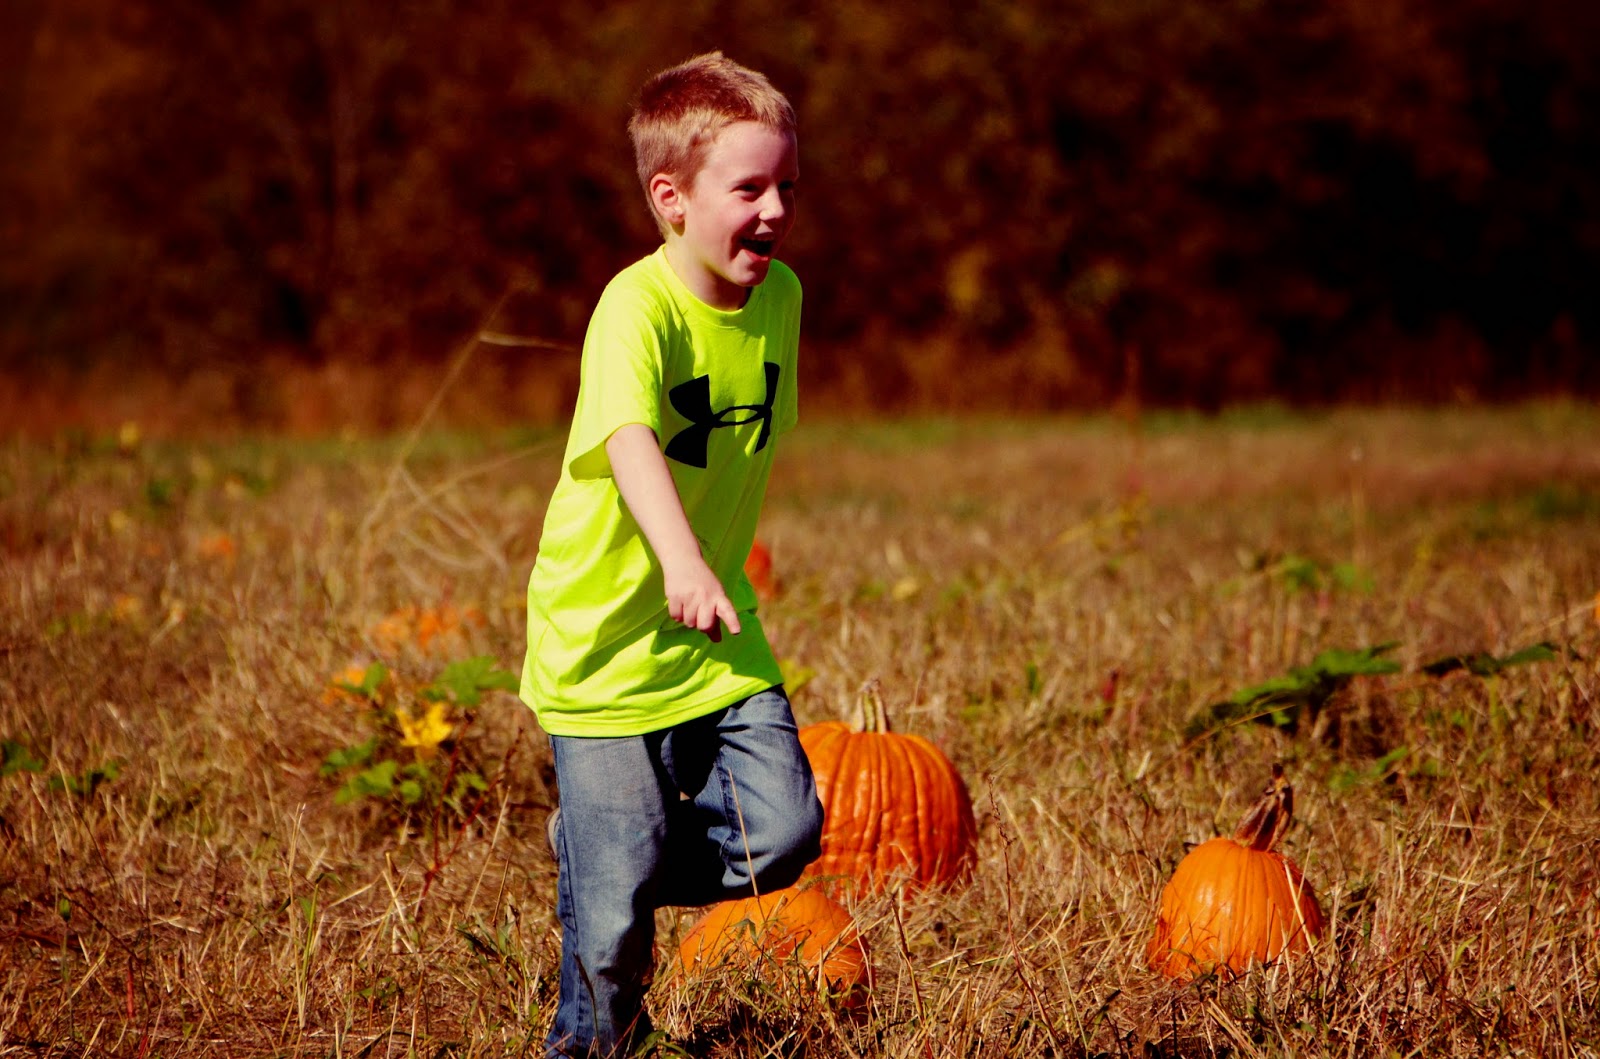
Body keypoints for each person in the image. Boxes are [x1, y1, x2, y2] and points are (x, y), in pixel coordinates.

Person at [518, 52, 824, 1058]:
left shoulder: (778, 298)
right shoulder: (634, 309)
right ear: (671, 198)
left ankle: (608, 856)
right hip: (606, 645)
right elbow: (628, 439)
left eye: (785, 183)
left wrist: (708, 575)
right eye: (749, 188)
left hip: (710, 636)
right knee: (606, 936)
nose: (775, 208)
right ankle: (592, 1045)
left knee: (781, 829)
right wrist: (682, 558)